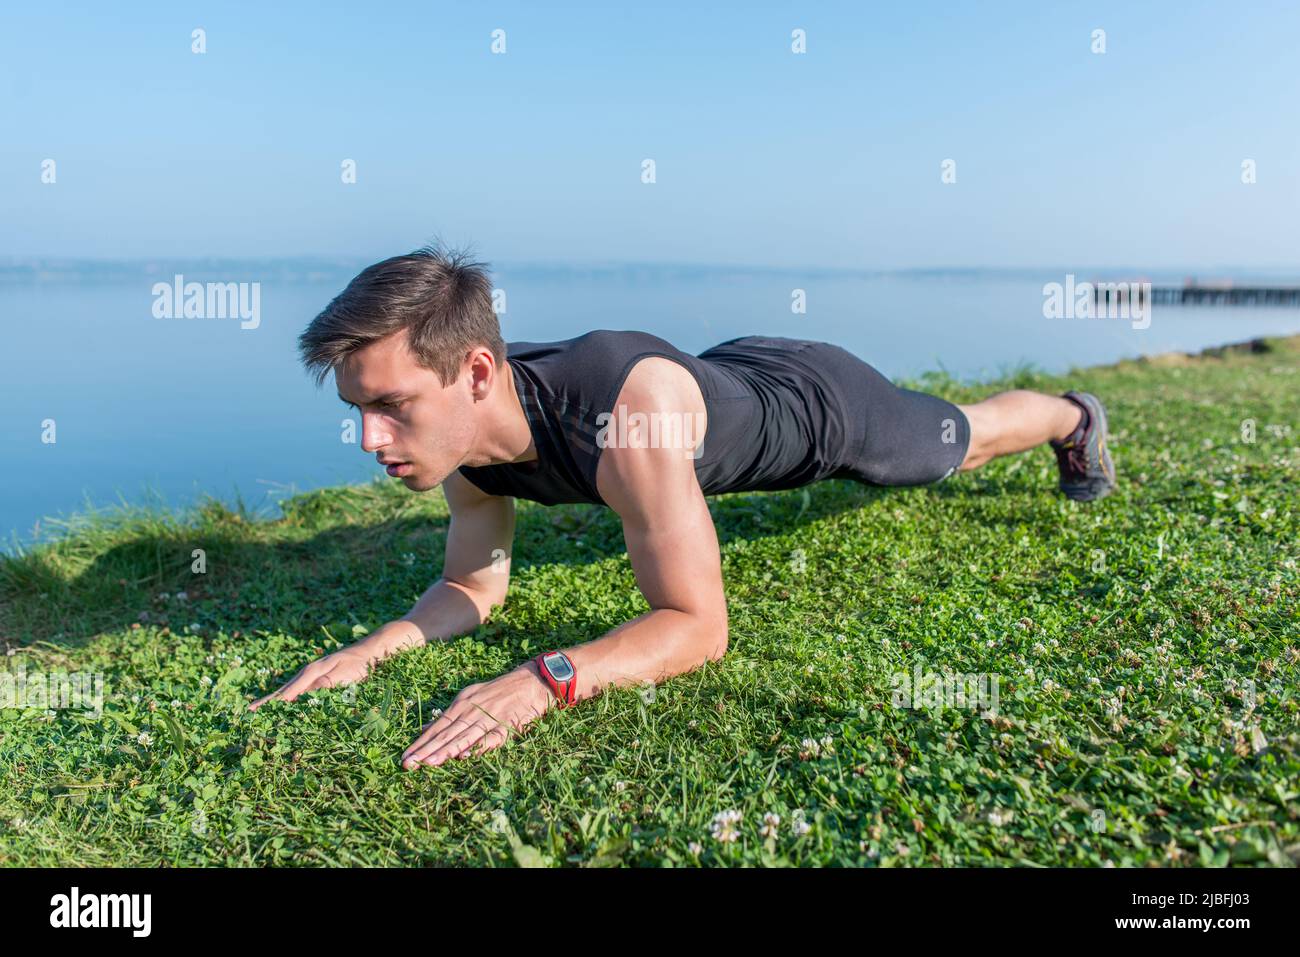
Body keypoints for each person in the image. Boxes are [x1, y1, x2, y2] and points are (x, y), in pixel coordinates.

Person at [250, 245, 1116, 769]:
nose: (369, 439)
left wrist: (547, 678)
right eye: (358, 411)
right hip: (730, 367)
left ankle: (1074, 415)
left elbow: (698, 625)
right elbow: (474, 585)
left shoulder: (628, 418)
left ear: (475, 372)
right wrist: (376, 646)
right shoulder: (464, 440)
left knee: (957, 440)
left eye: (391, 406)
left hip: (822, 407)